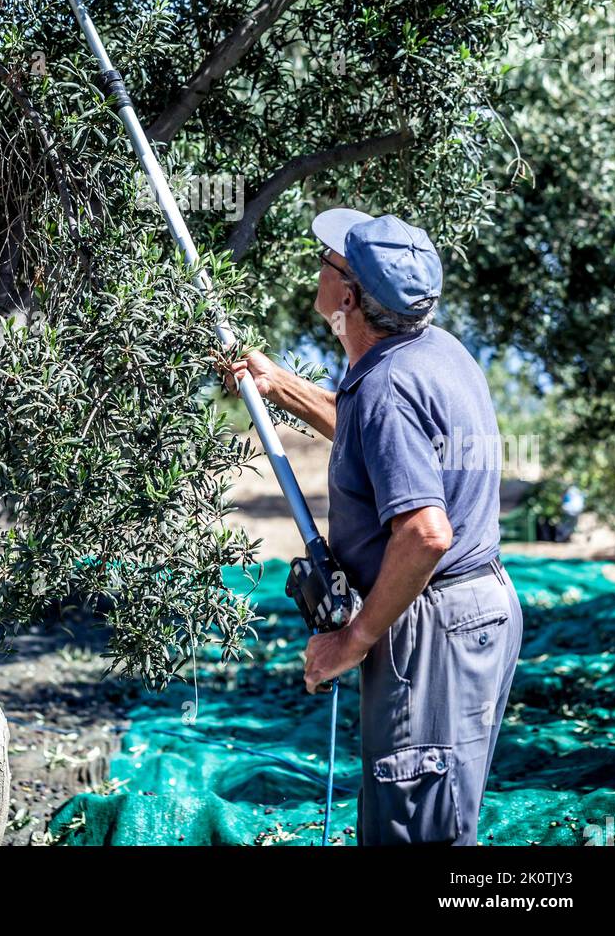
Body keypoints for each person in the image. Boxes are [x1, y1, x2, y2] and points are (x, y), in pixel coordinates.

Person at [225, 209, 523, 845]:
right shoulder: (434, 352)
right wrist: (277, 384)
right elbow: (379, 444)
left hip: (432, 625)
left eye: (329, 262)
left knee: (414, 831)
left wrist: (353, 639)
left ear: (349, 297)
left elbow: (424, 532)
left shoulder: (387, 387)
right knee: (429, 818)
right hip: (469, 610)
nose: (319, 267)